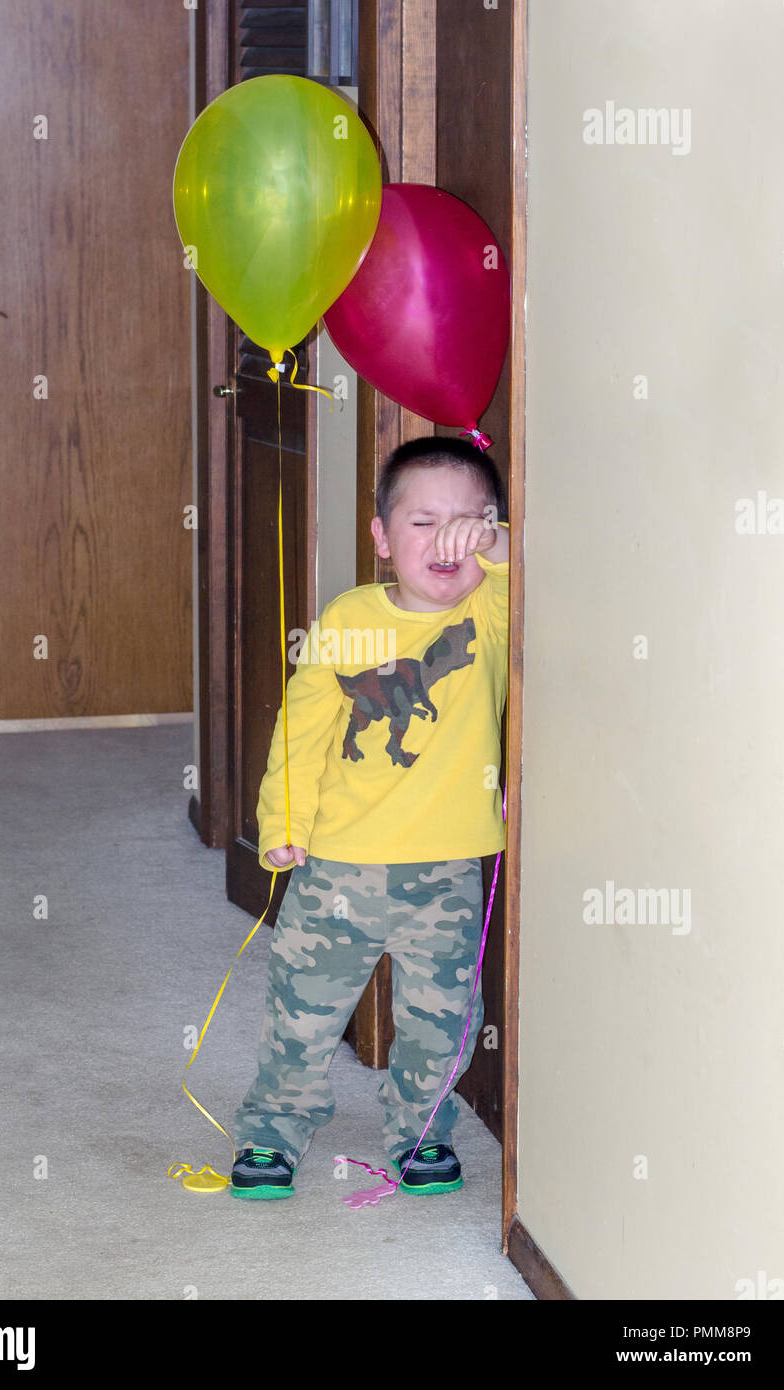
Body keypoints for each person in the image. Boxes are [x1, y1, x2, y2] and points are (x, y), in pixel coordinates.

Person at [230, 435, 509, 1200]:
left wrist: (496, 543)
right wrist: (281, 817)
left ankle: (421, 1130)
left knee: (443, 1018)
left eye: (467, 521)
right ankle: (272, 1129)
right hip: (337, 866)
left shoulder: (491, 606)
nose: (446, 538)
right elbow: (305, 726)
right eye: (423, 522)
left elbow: (533, 566)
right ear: (382, 539)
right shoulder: (349, 618)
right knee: (301, 1009)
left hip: (448, 865)